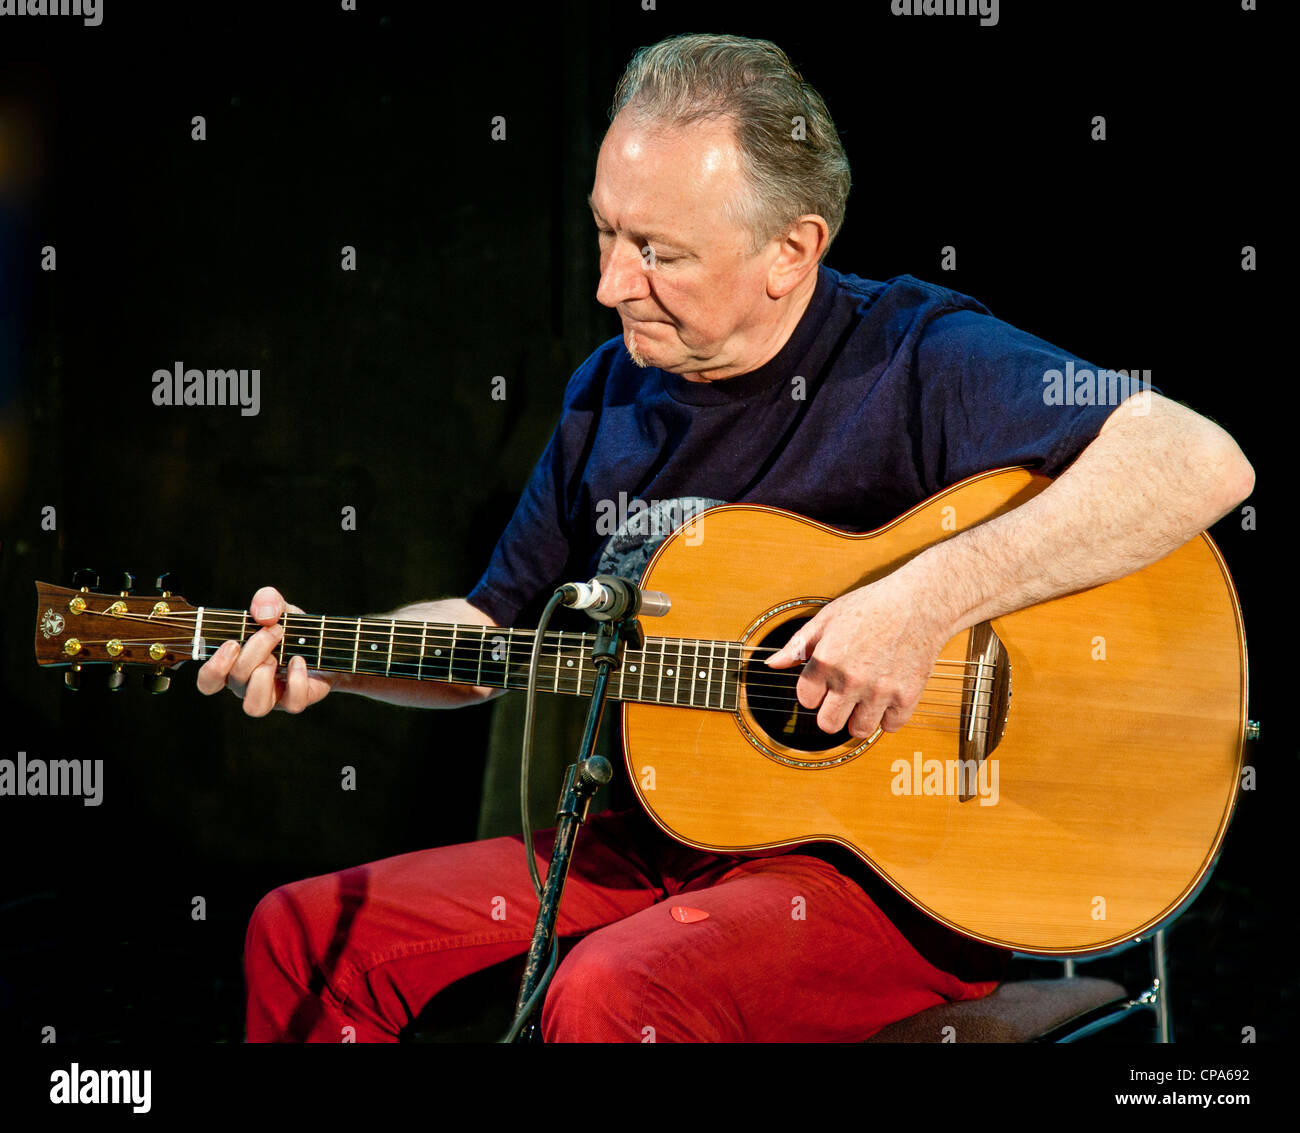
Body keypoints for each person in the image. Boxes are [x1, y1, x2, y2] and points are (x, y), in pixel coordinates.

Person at [197, 33, 1254, 1042]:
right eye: (606, 232)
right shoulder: (605, 392)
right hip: (659, 849)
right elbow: (489, 630)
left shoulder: (915, 353)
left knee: (611, 995)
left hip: (890, 877)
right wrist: (332, 654)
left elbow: (1201, 461)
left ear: (789, 252)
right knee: (302, 934)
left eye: (657, 251)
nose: (611, 283)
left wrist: (918, 604)